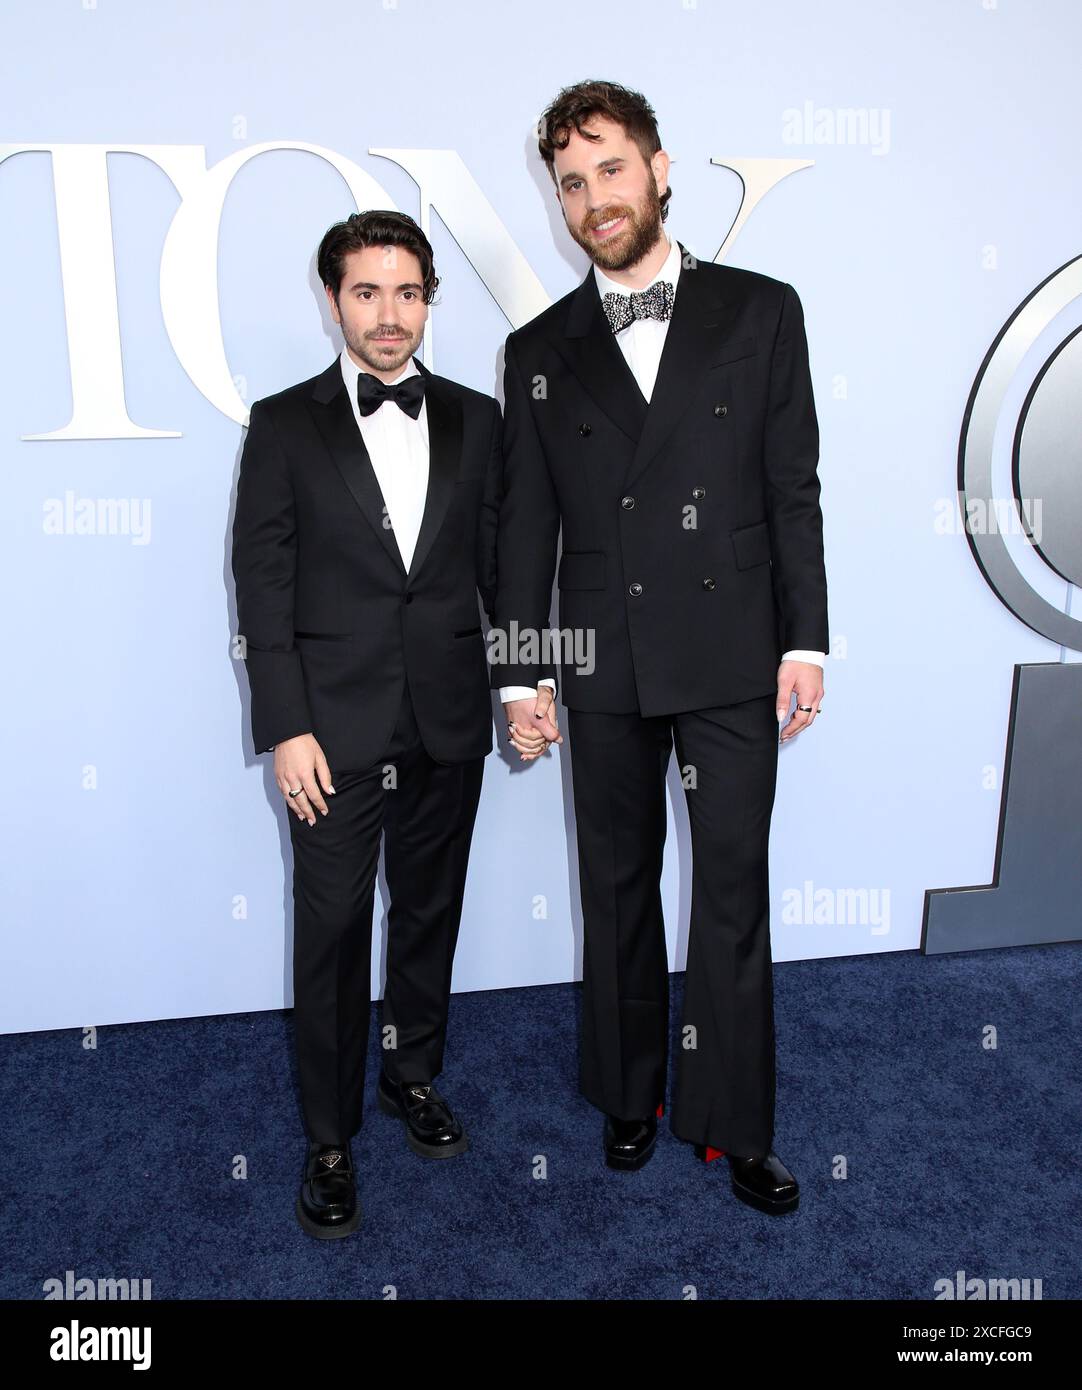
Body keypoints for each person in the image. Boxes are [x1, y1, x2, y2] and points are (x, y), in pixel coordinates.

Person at [490, 80, 828, 1215]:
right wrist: (520, 671)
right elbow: (524, 524)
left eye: (611, 171)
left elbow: (791, 492)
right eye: (570, 183)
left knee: (730, 889)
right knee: (616, 886)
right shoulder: (536, 348)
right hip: (599, 656)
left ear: (660, 168)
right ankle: (629, 1093)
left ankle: (732, 1120)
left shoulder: (761, 310)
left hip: (734, 646)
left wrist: (806, 642)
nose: (593, 199)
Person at [231, 210, 502, 1238]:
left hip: (446, 717)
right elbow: (261, 583)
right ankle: (329, 1136)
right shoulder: (284, 423)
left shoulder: (479, 419)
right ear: (334, 298)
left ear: (429, 297)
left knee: (430, 912)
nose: (389, 316)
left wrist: (524, 684)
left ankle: (413, 1076)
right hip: (329, 735)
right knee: (334, 931)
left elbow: (503, 570)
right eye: (365, 292)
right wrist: (283, 724)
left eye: (407, 292)